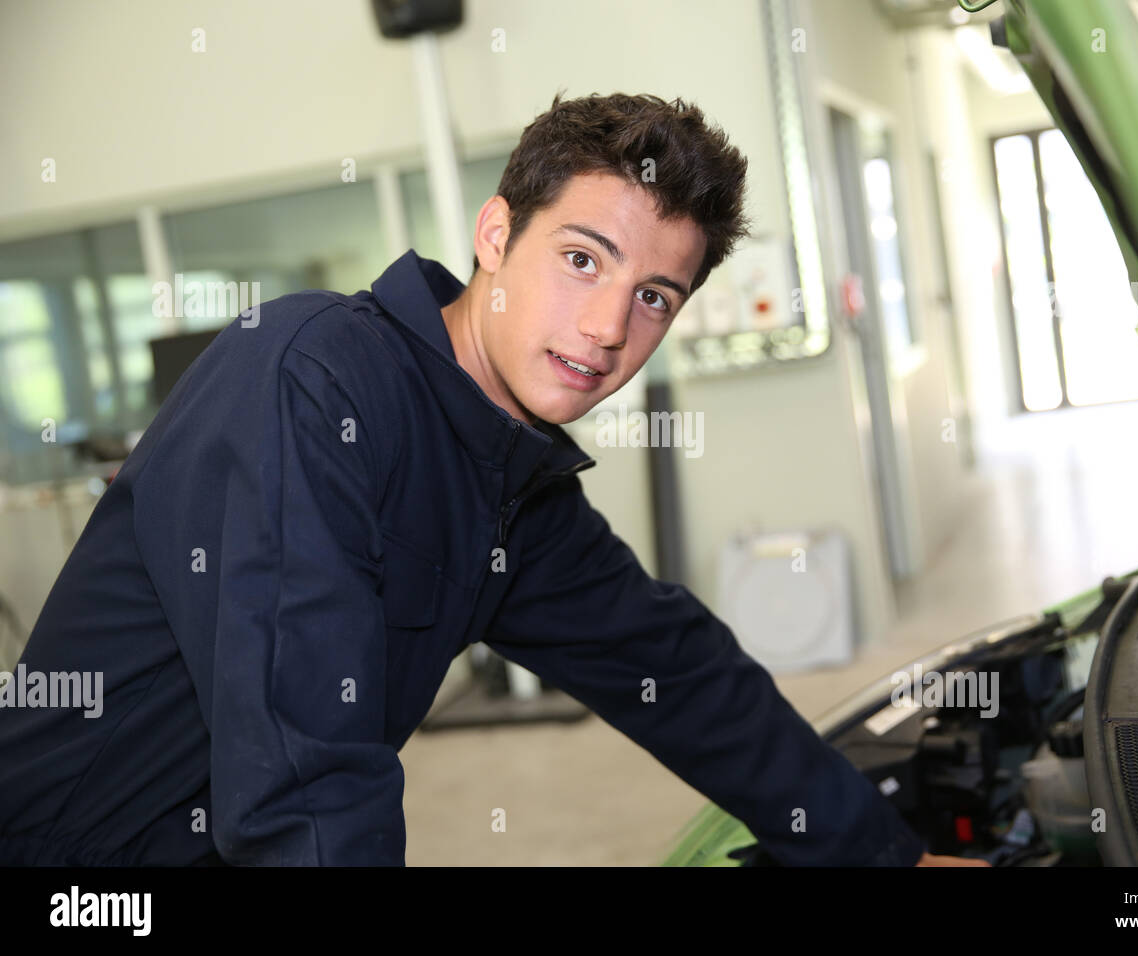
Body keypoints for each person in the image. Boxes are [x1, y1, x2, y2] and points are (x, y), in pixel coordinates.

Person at [0, 92, 984, 867]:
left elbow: (679, 675)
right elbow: (303, 767)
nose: (607, 328)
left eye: (652, 295)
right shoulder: (312, 373)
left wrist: (878, 853)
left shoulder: (512, 485)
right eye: (580, 258)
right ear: (493, 236)